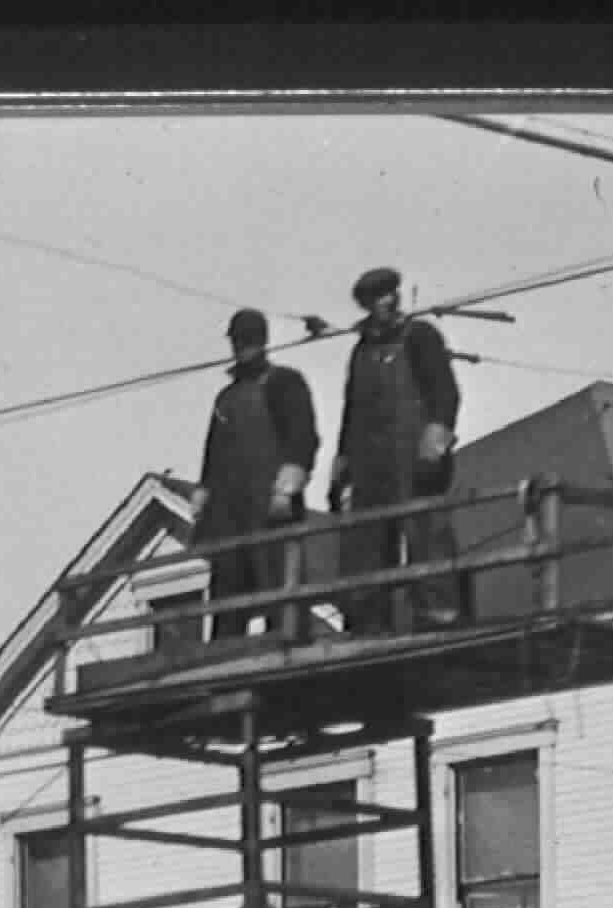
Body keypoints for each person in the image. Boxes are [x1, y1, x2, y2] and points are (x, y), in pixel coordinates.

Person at [326, 265, 463, 634]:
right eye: (378, 298)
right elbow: (351, 411)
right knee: (366, 541)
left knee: (426, 533)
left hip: (412, 455)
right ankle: (369, 625)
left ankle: (437, 618)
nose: (387, 301)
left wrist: (434, 446)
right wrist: (342, 467)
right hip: (370, 461)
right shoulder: (361, 352)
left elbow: (444, 393)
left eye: (390, 294)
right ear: (368, 306)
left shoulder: (419, 336)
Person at [191, 308, 320, 641]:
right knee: (229, 587)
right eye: (238, 340)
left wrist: (286, 487)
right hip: (231, 511)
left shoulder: (284, 382)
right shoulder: (226, 397)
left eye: (249, 339)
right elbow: (213, 454)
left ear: (262, 341)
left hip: (270, 505)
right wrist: (204, 495)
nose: (243, 346)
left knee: (279, 578)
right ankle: (224, 651)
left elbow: (302, 437)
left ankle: (289, 641)